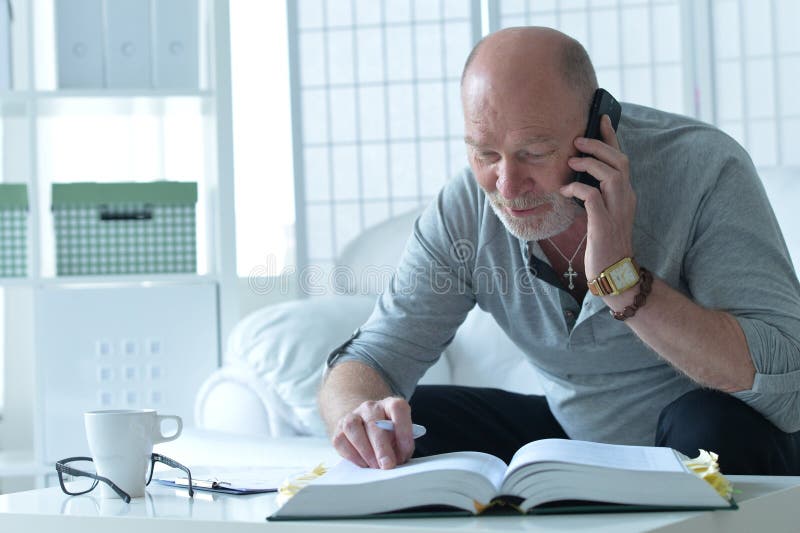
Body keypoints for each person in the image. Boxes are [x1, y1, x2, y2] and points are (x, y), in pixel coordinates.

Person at [318, 26, 800, 475]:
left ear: (599, 125)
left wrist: (620, 278)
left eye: (534, 152)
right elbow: (370, 359)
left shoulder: (703, 169)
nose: (507, 185)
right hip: (581, 438)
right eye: (485, 154)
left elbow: (789, 386)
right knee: (403, 424)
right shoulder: (466, 208)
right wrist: (358, 417)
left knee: (710, 426)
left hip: (710, 436)